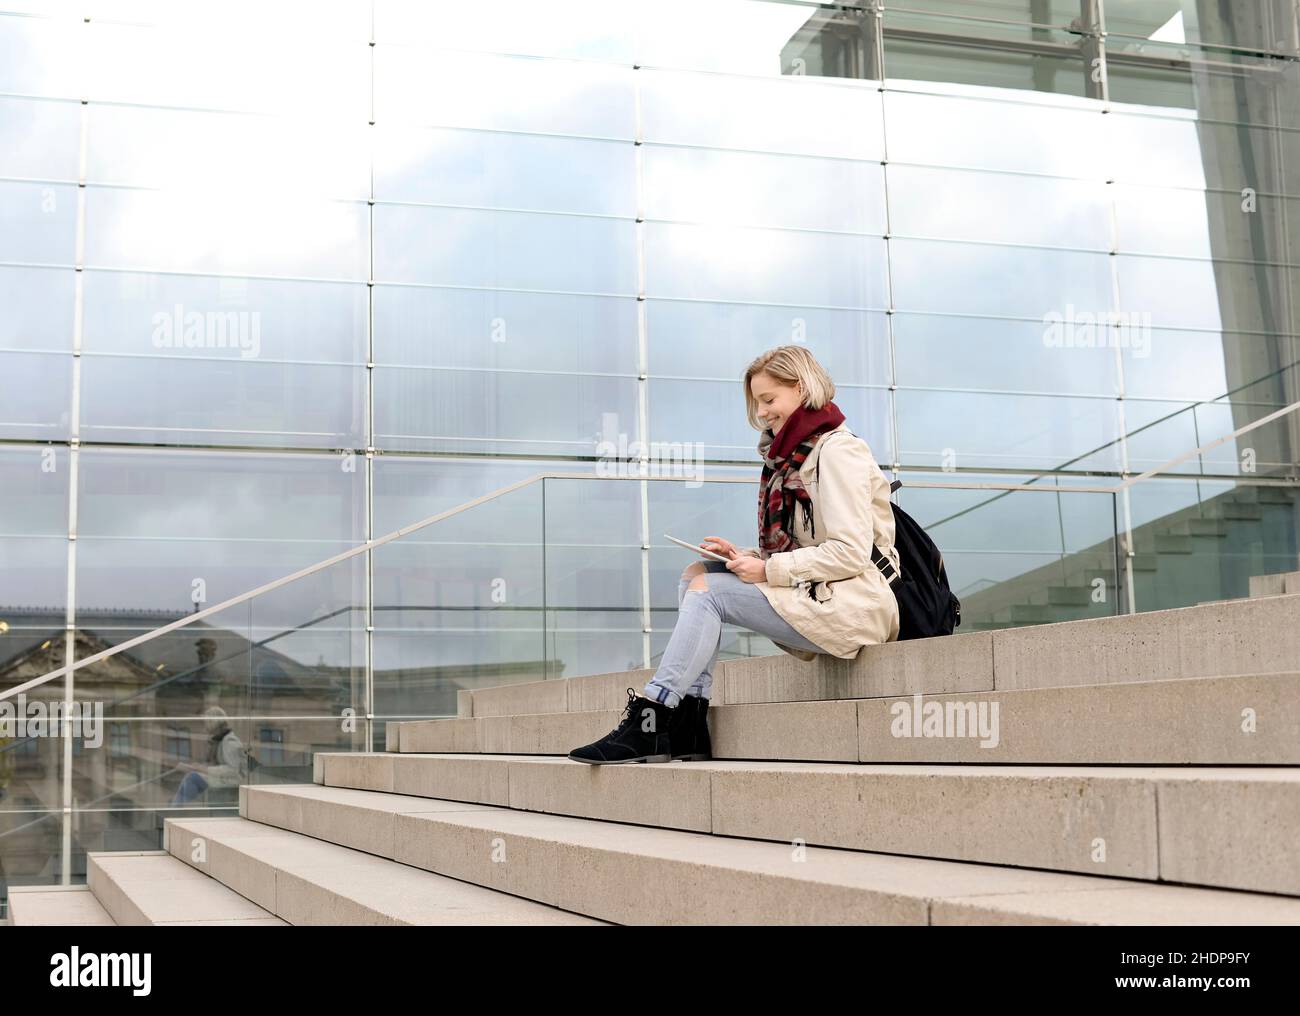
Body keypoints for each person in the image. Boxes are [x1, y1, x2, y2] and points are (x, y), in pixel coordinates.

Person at [569, 345, 901, 765]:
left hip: (856, 604)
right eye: (757, 403)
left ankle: (650, 720)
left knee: (709, 592)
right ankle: (689, 724)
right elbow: (809, 548)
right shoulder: (790, 457)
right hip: (820, 592)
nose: (761, 413)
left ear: (800, 389)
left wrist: (766, 568)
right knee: (696, 574)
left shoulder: (838, 451)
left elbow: (850, 553)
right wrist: (743, 556)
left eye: (768, 400)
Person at [169, 707, 248, 805]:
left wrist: (204, 769)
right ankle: (176, 807)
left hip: (231, 780)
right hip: (223, 778)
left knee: (193, 778)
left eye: (206, 722)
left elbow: (232, 769)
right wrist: (195, 767)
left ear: (212, 723)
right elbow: (217, 764)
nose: (205, 726)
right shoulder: (219, 740)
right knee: (191, 776)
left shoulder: (229, 741)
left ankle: (176, 809)